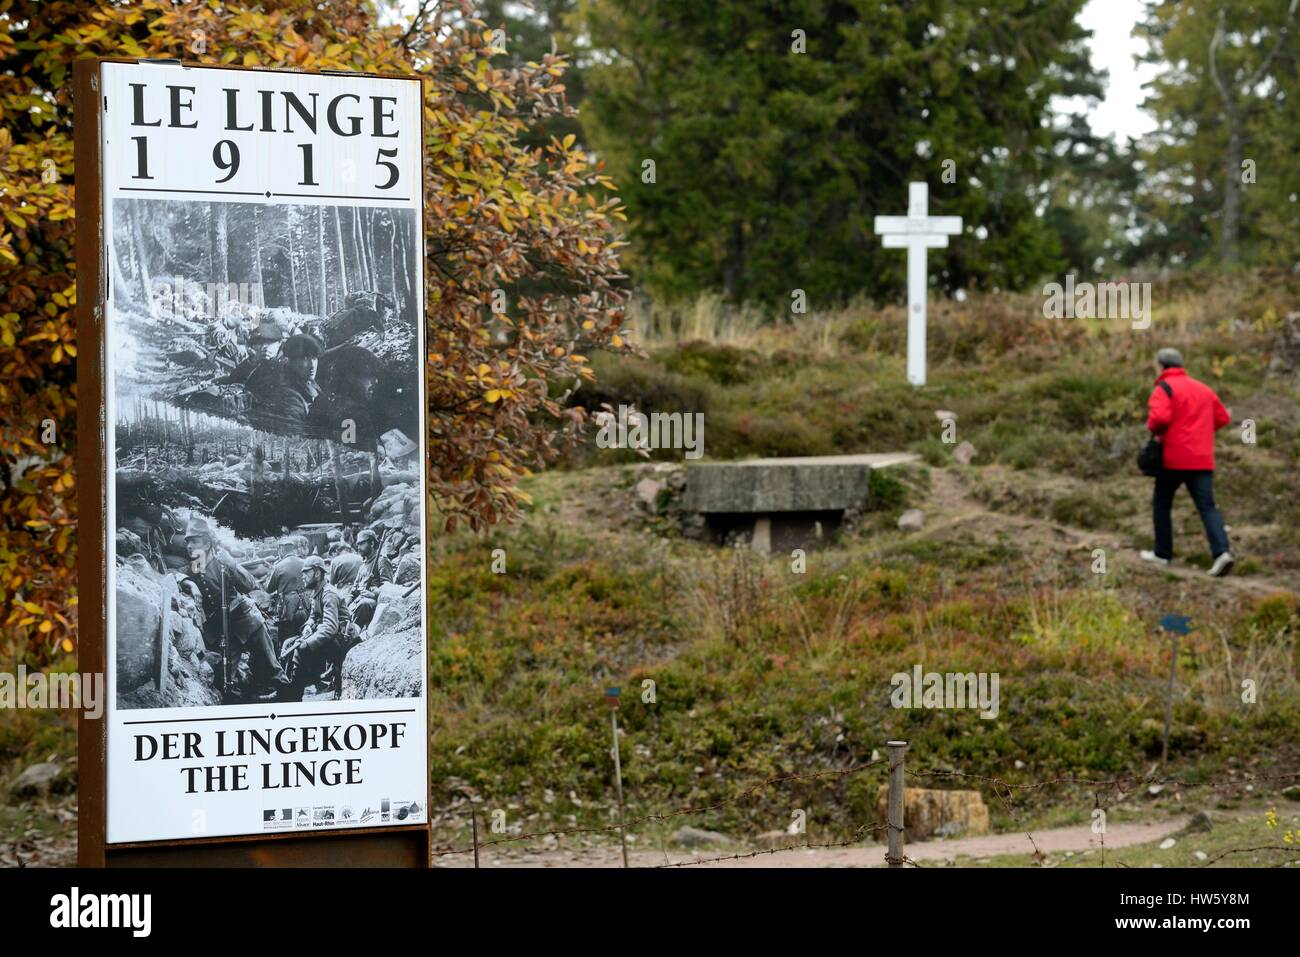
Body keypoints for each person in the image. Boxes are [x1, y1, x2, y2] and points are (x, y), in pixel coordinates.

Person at [1140, 348, 1235, 577]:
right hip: (1202, 459)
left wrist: (1155, 430)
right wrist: (1200, 433)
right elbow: (1223, 417)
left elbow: (1159, 418)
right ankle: (1221, 553)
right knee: (1207, 507)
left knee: (1162, 504)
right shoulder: (1203, 388)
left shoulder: (1164, 388)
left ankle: (1162, 554)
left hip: (1173, 458)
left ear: (1161, 366)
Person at [182, 515, 292, 701]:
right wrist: (188, 584)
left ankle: (291, 701)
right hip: (225, 627)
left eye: (194, 540)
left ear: (208, 544)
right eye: (188, 542)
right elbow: (177, 572)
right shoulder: (197, 564)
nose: (189, 546)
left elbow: (249, 584)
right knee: (226, 676)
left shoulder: (222, 560)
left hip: (247, 621)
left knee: (271, 667)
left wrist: (232, 565)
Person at [276, 555, 352, 701]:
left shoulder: (329, 594)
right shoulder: (317, 592)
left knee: (301, 650)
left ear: (317, 573)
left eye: (306, 572)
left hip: (341, 640)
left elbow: (330, 627)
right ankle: (287, 687)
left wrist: (308, 643)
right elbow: (313, 616)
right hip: (328, 636)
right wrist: (308, 627)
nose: (303, 576)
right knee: (288, 644)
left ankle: (294, 696)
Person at [244, 332, 325, 434]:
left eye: (314, 358)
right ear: (291, 361)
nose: (312, 365)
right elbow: (294, 434)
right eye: (305, 359)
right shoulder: (288, 395)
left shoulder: (308, 381)